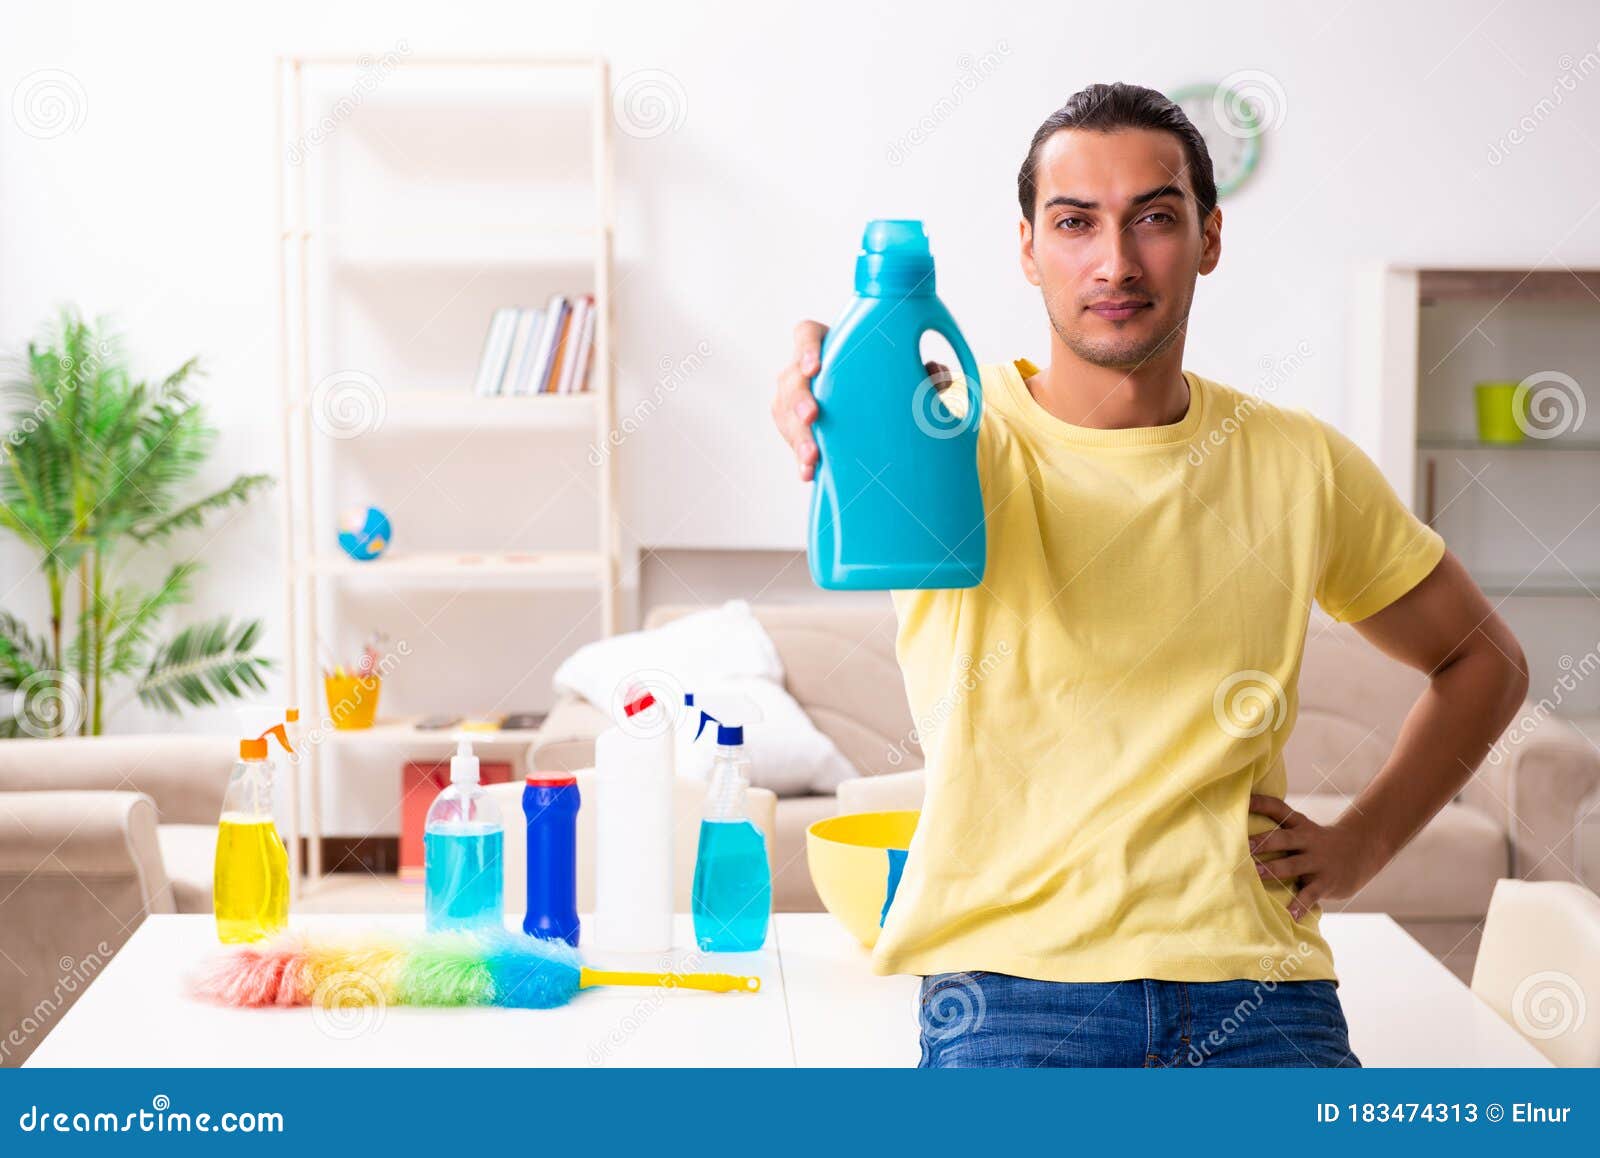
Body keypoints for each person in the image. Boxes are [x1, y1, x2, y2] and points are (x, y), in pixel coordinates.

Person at [770, 82, 1529, 1068]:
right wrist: (815, 366)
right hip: (1011, 994)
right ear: (1027, 248)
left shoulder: (1299, 462)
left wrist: (1363, 844)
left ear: (1209, 238)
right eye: (1075, 222)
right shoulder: (950, 437)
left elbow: (1484, 664)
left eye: (1154, 220)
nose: (1114, 263)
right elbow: (841, 374)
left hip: (1260, 987)